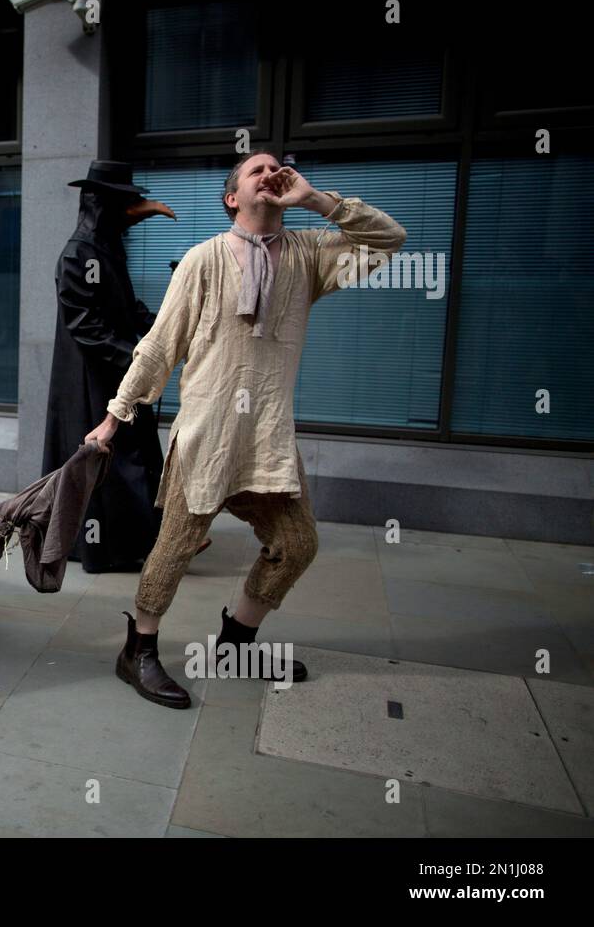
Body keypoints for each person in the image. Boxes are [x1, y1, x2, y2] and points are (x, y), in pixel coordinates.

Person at [87, 152, 406, 708]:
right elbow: (161, 346)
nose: (271, 172)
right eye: (256, 170)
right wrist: (116, 416)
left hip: (267, 437)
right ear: (233, 198)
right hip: (207, 433)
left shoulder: (309, 254)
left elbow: (389, 240)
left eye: (278, 167)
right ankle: (136, 650)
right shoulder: (202, 259)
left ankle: (235, 644)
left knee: (297, 544)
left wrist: (314, 200)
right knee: (175, 548)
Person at [43, 159, 208, 571]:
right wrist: (137, 358)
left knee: (132, 456)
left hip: (115, 370)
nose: (132, 214)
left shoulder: (103, 248)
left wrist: (163, 329)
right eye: (124, 205)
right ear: (102, 204)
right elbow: (85, 325)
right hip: (94, 378)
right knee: (112, 461)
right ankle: (115, 547)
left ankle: (146, 539)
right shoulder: (79, 253)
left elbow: (125, 308)